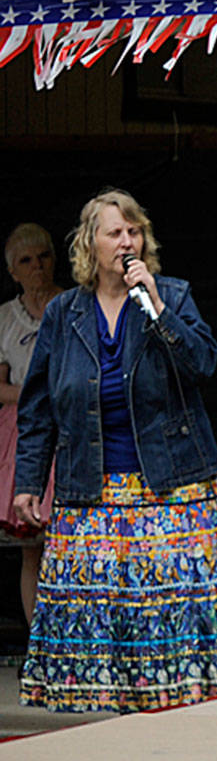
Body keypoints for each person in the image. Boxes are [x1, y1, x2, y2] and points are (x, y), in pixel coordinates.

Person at [12, 191, 217, 712]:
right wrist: (29, 483)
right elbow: (37, 409)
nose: (127, 242)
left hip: (173, 484)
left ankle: (179, 719)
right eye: (115, 232)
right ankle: (113, 722)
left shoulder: (170, 294)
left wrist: (159, 310)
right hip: (91, 488)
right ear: (89, 244)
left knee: (172, 615)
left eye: (135, 232)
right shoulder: (64, 314)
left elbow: (204, 365)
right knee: (101, 613)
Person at [1, 224, 60, 625]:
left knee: (74, 546)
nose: (37, 266)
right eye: (27, 260)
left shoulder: (75, 304)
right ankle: (40, 644)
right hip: (22, 434)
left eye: (43, 257)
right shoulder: (5, 317)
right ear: (13, 272)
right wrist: (38, 394)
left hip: (71, 431)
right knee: (32, 548)